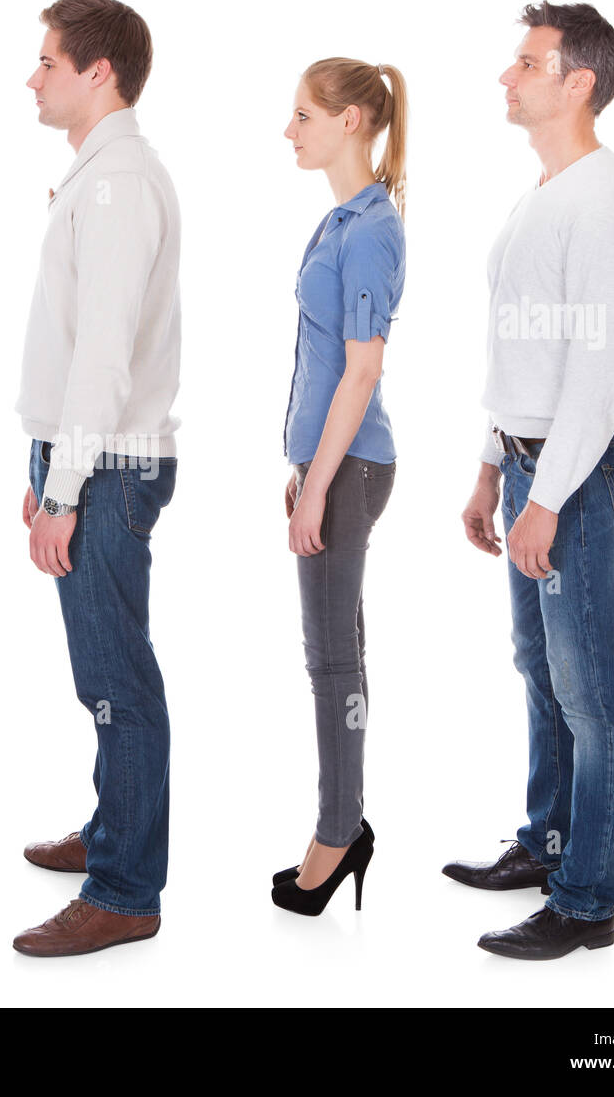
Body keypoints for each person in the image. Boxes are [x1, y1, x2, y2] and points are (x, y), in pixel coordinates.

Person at [450, 1, 614, 959]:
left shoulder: (606, 198)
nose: (507, 77)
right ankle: (548, 841)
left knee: (589, 690)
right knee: (542, 672)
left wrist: (545, 498)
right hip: (535, 461)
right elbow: (520, 351)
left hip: (578, 471)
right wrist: (492, 470)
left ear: (578, 82)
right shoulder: (545, 190)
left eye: (526, 63)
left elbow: (598, 375)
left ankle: (586, 902)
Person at [13, 0, 181, 957]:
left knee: (118, 676)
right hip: (83, 458)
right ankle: (114, 832)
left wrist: (66, 485)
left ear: (98, 73)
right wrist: (42, 464)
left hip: (109, 467)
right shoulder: (97, 176)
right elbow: (70, 344)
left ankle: (125, 889)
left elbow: (106, 355)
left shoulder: (119, 183)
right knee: (103, 676)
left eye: (46, 62)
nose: (33, 77)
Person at [270, 59, 408, 917]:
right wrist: (302, 470)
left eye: (303, 116)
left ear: (352, 120)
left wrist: (318, 486)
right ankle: (341, 823)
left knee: (331, 659)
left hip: (350, 467)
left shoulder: (372, 230)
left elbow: (361, 374)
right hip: (328, 464)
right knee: (335, 652)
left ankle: (338, 831)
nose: (290, 132)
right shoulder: (338, 221)